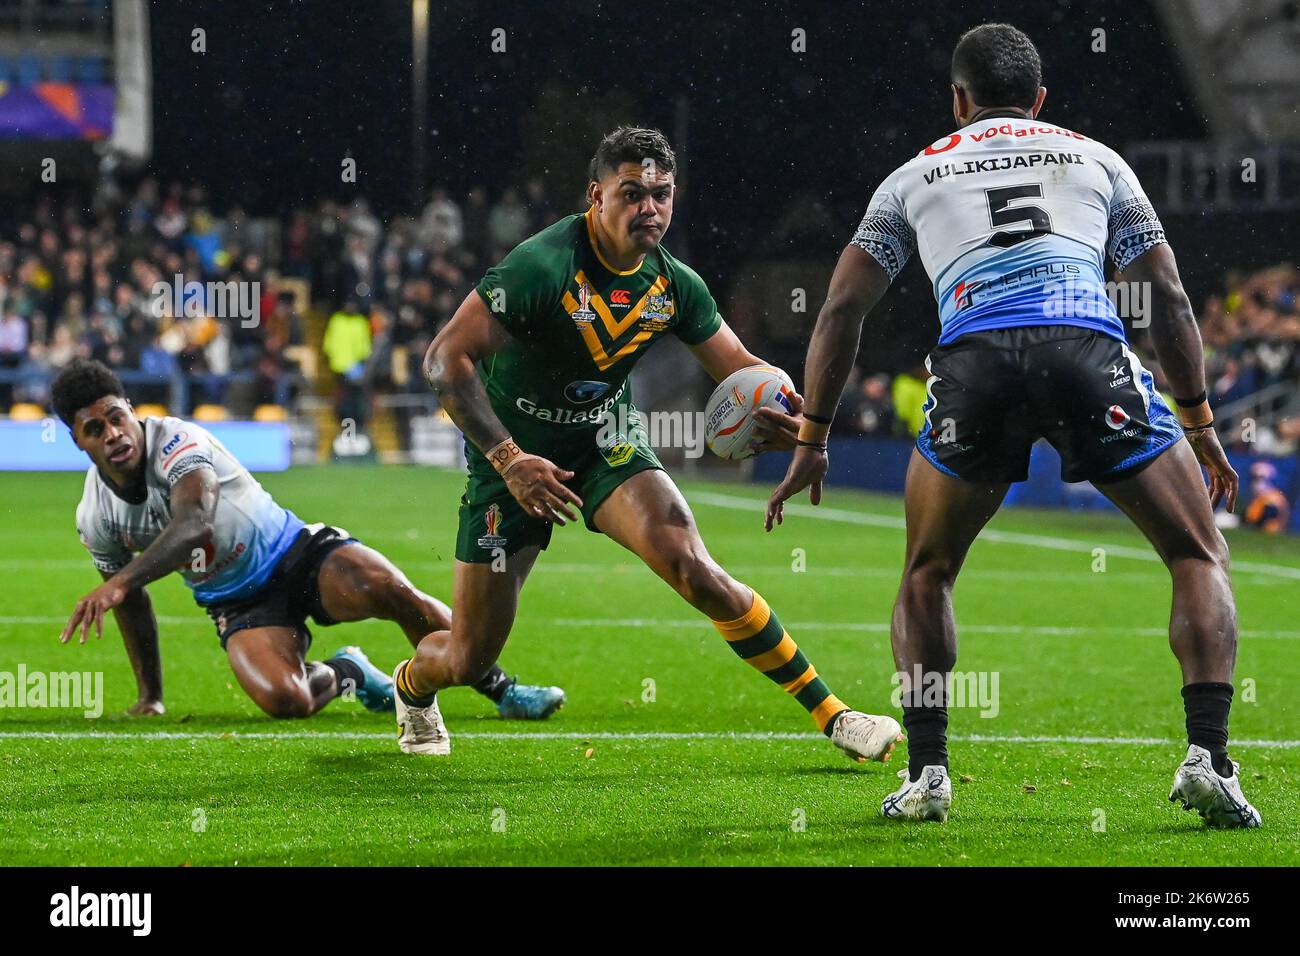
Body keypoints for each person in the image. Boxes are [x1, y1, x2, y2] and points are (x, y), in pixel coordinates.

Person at [767, 23, 1260, 827]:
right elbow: (1166, 296)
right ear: (1039, 101)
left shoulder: (913, 174)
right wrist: (1201, 424)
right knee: (1197, 551)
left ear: (957, 100)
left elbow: (841, 308)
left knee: (927, 570)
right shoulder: (1096, 157)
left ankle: (928, 774)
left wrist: (814, 438)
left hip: (976, 364)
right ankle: (1209, 756)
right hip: (1084, 348)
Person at [397, 126, 902, 761]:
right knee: (470, 658)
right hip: (513, 460)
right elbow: (445, 361)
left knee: (693, 565)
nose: (649, 208)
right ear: (595, 196)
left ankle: (834, 715)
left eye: (662, 195)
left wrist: (800, 426)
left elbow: (741, 368)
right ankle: (413, 686)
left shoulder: (675, 285)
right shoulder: (540, 267)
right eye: (632, 193)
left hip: (606, 442)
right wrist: (510, 460)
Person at [53, 358, 564, 721]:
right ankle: (351, 670)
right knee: (286, 702)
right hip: (236, 600)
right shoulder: (95, 515)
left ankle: (503, 689)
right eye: (94, 429)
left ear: (131, 409)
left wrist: (119, 582)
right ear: (78, 441)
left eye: (117, 417)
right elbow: (132, 606)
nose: (113, 434)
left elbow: (195, 524)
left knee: (394, 592)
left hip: (296, 554)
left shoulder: (177, 439)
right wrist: (151, 696)